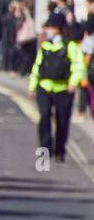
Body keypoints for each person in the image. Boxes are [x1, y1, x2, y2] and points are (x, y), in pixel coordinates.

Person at [29, 12, 86, 163]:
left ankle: (60, 150)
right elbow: (37, 66)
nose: (49, 30)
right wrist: (32, 86)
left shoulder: (71, 46)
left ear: (60, 28)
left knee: (62, 120)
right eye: (49, 27)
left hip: (63, 89)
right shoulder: (45, 46)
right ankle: (44, 151)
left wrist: (73, 82)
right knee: (44, 117)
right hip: (44, 87)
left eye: (53, 27)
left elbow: (78, 66)